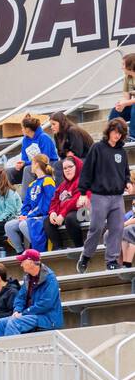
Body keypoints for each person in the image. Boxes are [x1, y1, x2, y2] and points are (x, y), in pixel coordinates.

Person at [78, 117, 131, 273]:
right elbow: (87, 171)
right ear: (109, 131)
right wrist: (82, 192)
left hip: (117, 197)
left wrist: (127, 182)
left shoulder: (122, 152)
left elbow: (125, 173)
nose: (117, 135)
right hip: (99, 196)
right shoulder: (97, 148)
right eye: (115, 132)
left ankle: (112, 260)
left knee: (117, 228)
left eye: (120, 133)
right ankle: (86, 256)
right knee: (96, 227)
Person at [0, 249, 62, 337]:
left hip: (47, 318)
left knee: (14, 322)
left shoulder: (50, 278)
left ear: (31, 262)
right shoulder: (28, 278)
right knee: (1, 322)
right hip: (30, 315)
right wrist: (17, 310)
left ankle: (11, 349)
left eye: (23, 261)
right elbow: (20, 297)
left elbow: (46, 304)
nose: (21, 264)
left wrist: (24, 313)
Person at [6, 155, 55, 253]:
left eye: (32, 163)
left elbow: (46, 205)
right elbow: (26, 204)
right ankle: (21, 252)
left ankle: (40, 249)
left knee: (24, 225)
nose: (31, 166)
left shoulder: (48, 180)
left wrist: (28, 216)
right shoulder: (32, 184)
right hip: (31, 216)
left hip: (43, 216)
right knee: (9, 226)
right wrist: (24, 214)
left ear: (36, 164)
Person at [44, 155, 85, 251]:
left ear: (77, 166)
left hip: (85, 212)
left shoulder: (83, 181)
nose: (67, 170)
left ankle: (79, 247)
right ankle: (59, 249)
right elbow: (54, 200)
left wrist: (62, 214)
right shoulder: (63, 185)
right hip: (66, 213)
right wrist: (53, 212)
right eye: (65, 168)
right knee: (47, 221)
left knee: (70, 218)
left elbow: (75, 201)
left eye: (70, 167)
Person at [7, 114, 58, 189]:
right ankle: (7, 197)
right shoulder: (25, 140)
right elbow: (24, 158)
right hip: (31, 165)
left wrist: (27, 163)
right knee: (8, 172)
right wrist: (21, 164)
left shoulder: (43, 138)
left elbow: (45, 159)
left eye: (22, 128)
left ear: (27, 129)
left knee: (27, 169)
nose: (22, 130)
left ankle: (25, 199)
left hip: (48, 164)